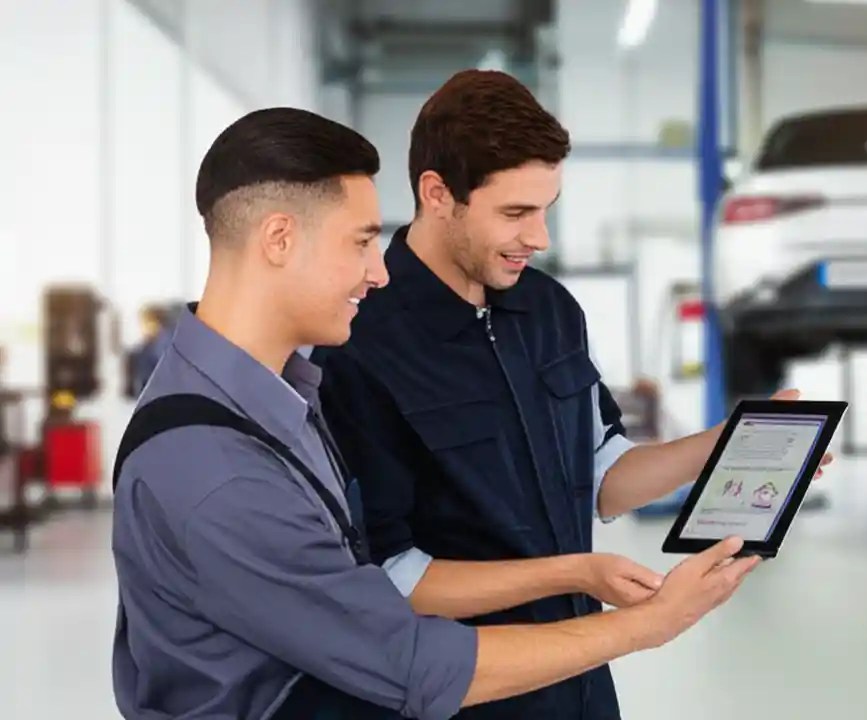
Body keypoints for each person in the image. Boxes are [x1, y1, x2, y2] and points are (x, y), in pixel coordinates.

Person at [111, 107, 760, 720]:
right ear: (279, 238)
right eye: (361, 242)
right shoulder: (221, 471)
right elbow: (407, 656)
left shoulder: (280, 399)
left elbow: (594, 470)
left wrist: (725, 447)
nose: (377, 272)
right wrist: (648, 622)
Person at [311, 70, 830, 719]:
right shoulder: (360, 343)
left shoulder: (550, 310)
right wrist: (575, 572)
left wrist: (732, 442)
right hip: (470, 696)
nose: (540, 238)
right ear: (438, 194)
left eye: (546, 209)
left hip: (581, 686)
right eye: (515, 213)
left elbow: (604, 475)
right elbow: (391, 577)